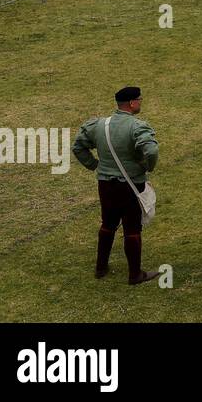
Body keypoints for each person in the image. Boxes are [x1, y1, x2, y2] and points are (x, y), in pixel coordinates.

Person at [72, 86, 161, 284]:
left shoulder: (98, 125)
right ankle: (135, 274)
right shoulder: (137, 126)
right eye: (139, 99)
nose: (140, 102)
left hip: (105, 184)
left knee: (108, 223)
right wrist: (148, 166)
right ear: (131, 103)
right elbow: (152, 151)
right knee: (132, 228)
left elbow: (78, 146)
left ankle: (101, 267)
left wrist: (95, 165)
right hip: (130, 185)